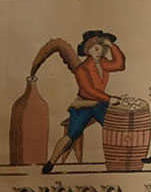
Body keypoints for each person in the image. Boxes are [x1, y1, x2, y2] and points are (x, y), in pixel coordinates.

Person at [42, 30, 125, 174]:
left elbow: (120, 65)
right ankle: (51, 162)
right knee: (71, 135)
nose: (100, 53)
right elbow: (88, 91)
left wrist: (112, 45)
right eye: (96, 49)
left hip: (100, 104)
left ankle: (121, 160)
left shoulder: (103, 64)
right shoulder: (82, 69)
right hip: (83, 105)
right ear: (88, 50)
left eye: (103, 50)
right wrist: (109, 99)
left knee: (114, 128)